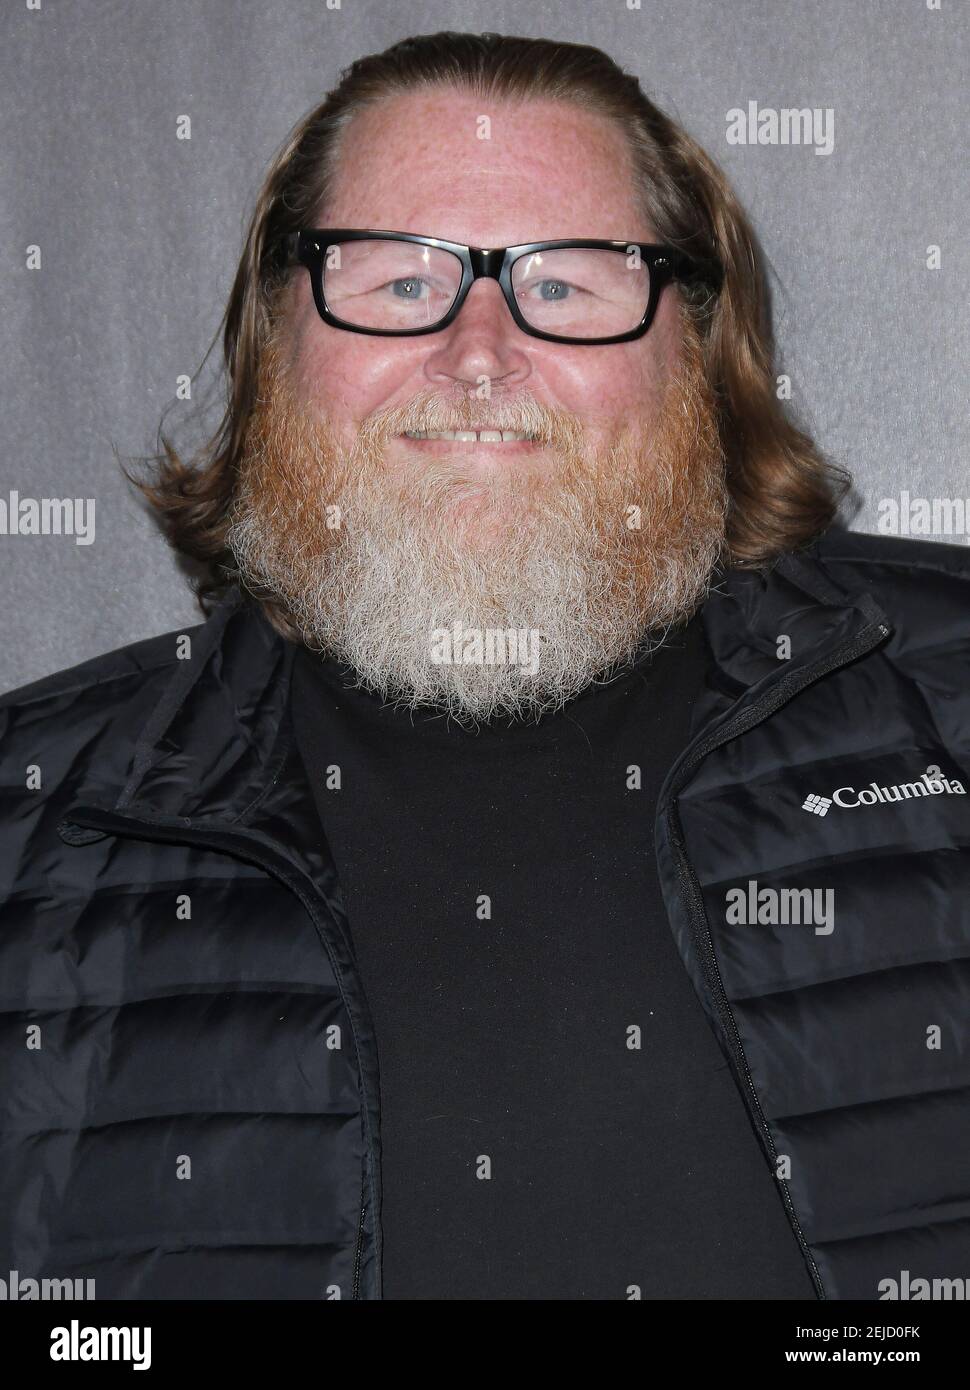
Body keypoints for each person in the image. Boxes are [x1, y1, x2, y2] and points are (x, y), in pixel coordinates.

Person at [1, 31, 967, 1302]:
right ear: (270, 345)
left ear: (700, 353)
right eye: (397, 282)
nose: (478, 351)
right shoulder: (29, 840)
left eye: (567, 285)